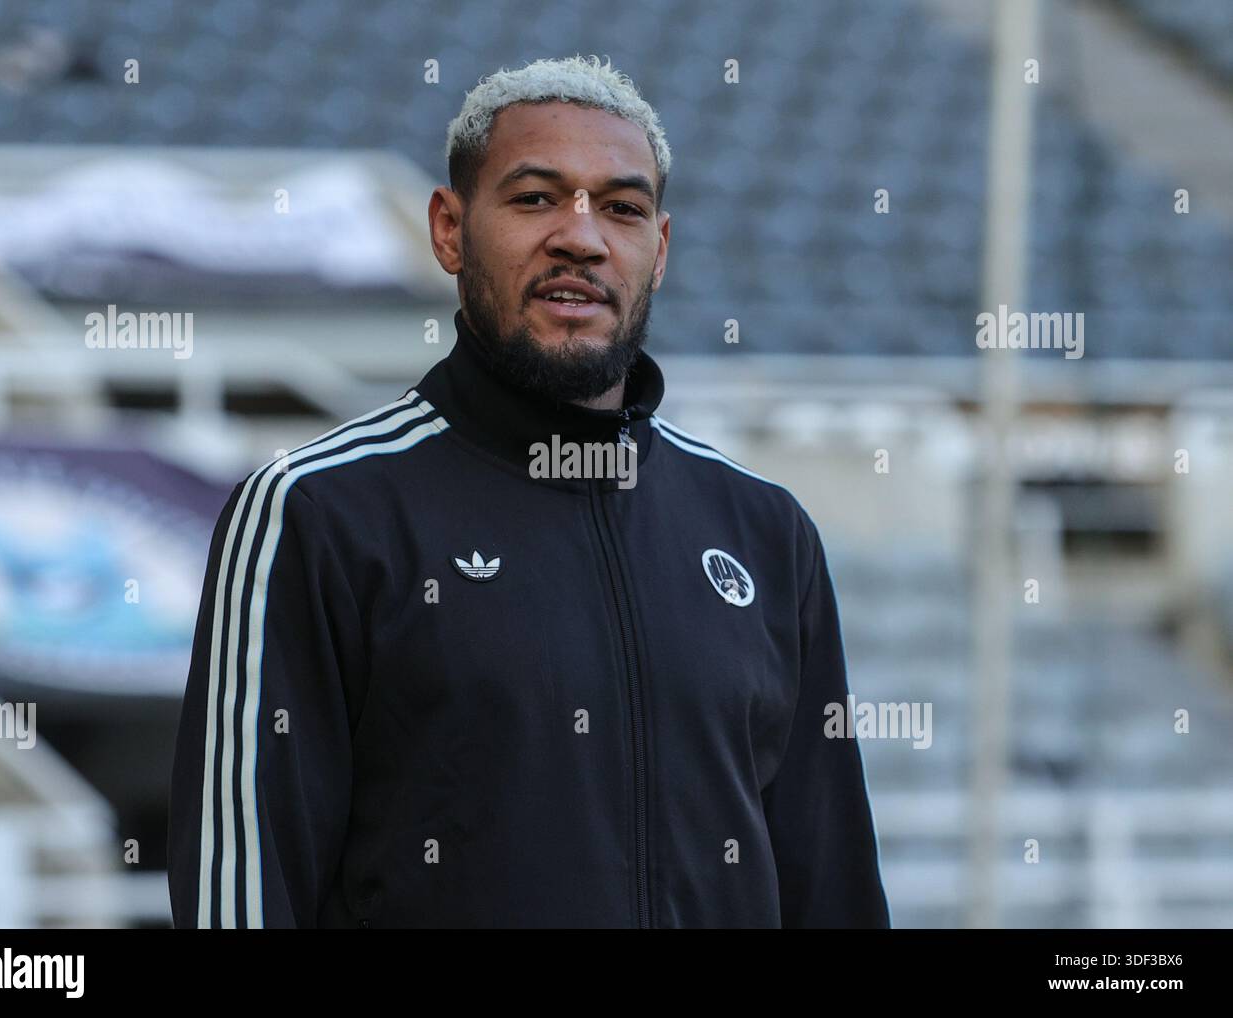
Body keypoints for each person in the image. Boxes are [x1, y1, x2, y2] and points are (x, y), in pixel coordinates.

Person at [168, 54, 890, 929]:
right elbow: (241, 899)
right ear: (448, 229)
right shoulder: (314, 514)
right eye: (535, 197)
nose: (581, 238)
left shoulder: (765, 533)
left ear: (658, 251)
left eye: (621, 209)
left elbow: (833, 884)